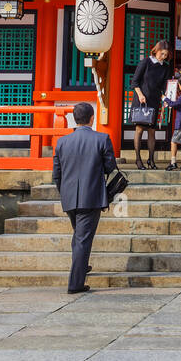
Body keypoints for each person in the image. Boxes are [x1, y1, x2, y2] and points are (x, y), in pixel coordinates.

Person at [52, 102, 117, 294]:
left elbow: (57, 173)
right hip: (91, 196)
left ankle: (82, 267)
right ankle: (75, 284)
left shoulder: (62, 142)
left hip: (69, 196)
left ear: (74, 118)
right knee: (82, 239)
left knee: (79, 237)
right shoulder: (102, 138)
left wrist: (64, 191)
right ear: (92, 118)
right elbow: (110, 167)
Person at [129, 40, 171, 170]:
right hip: (141, 99)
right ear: (156, 50)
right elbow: (134, 82)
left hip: (154, 100)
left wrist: (165, 99)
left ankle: (151, 160)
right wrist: (140, 95)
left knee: (152, 131)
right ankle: (138, 160)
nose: (163, 57)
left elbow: (165, 86)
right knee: (140, 129)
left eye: (165, 55)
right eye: (161, 54)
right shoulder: (145, 62)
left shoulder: (165, 67)